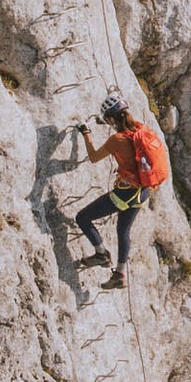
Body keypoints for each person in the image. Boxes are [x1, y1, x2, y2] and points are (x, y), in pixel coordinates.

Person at [73, 96, 168, 290]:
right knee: (123, 231)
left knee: (83, 218)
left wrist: (86, 133)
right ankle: (120, 274)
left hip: (125, 193)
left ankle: (101, 254)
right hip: (143, 191)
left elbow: (94, 157)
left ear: (111, 119)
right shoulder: (140, 129)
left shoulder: (116, 140)